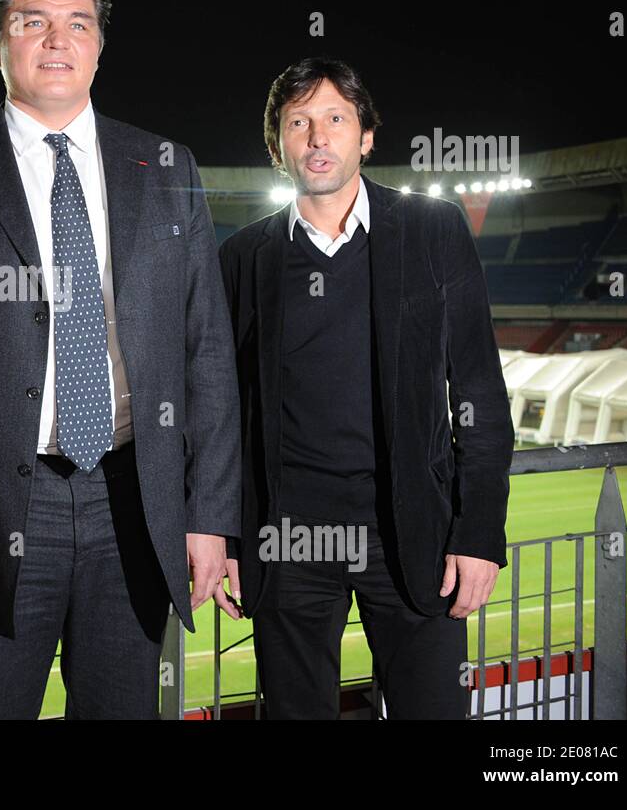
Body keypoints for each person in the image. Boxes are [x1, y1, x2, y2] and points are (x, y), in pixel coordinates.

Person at [0, 0, 241, 719]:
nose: (57, 40)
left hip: (134, 502)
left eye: (78, 23)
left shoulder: (167, 165)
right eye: (32, 22)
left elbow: (208, 353)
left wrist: (209, 514)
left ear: (101, 44)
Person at [218, 57, 512, 719]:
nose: (318, 137)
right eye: (299, 122)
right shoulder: (242, 257)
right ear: (277, 145)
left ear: (366, 135)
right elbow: (222, 411)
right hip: (285, 542)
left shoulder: (434, 230)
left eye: (335, 119)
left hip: (413, 535)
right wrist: (227, 535)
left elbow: (480, 392)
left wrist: (479, 528)